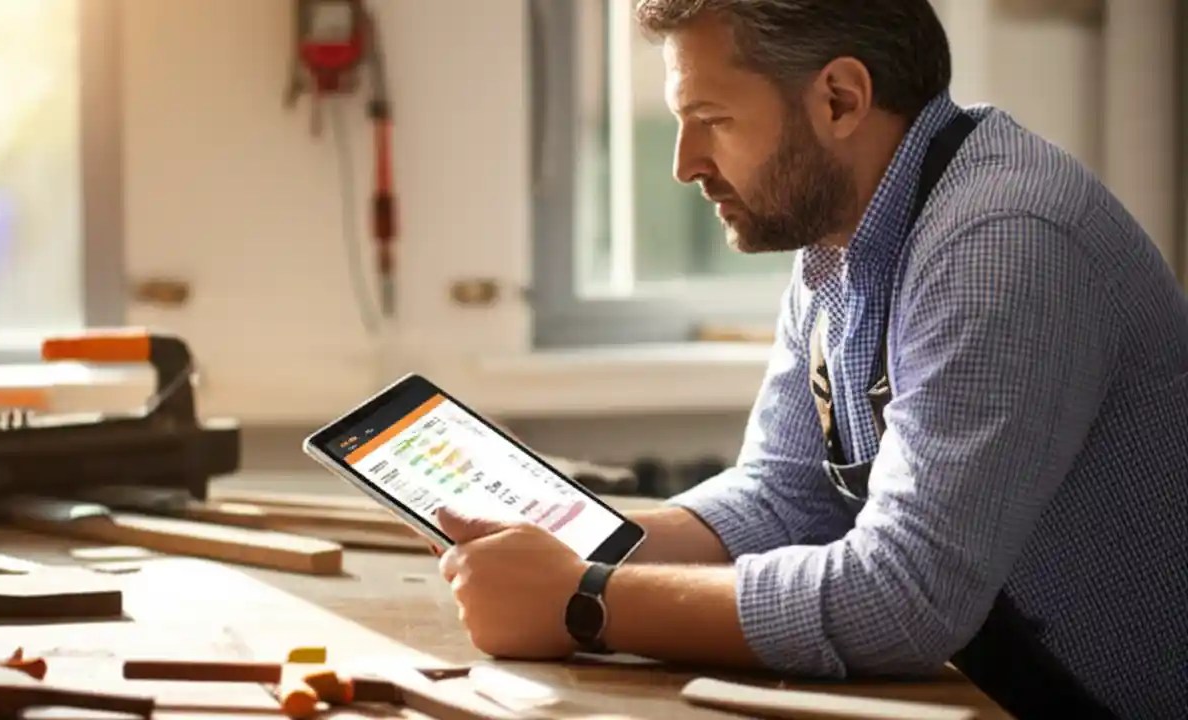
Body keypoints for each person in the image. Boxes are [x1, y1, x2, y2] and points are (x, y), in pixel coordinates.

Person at [433, 1, 1188, 718]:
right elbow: (787, 497)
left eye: (712, 120)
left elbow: (904, 597)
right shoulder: (843, 233)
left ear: (839, 100)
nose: (684, 164)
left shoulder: (1001, 243)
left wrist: (582, 602)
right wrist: (567, 544)